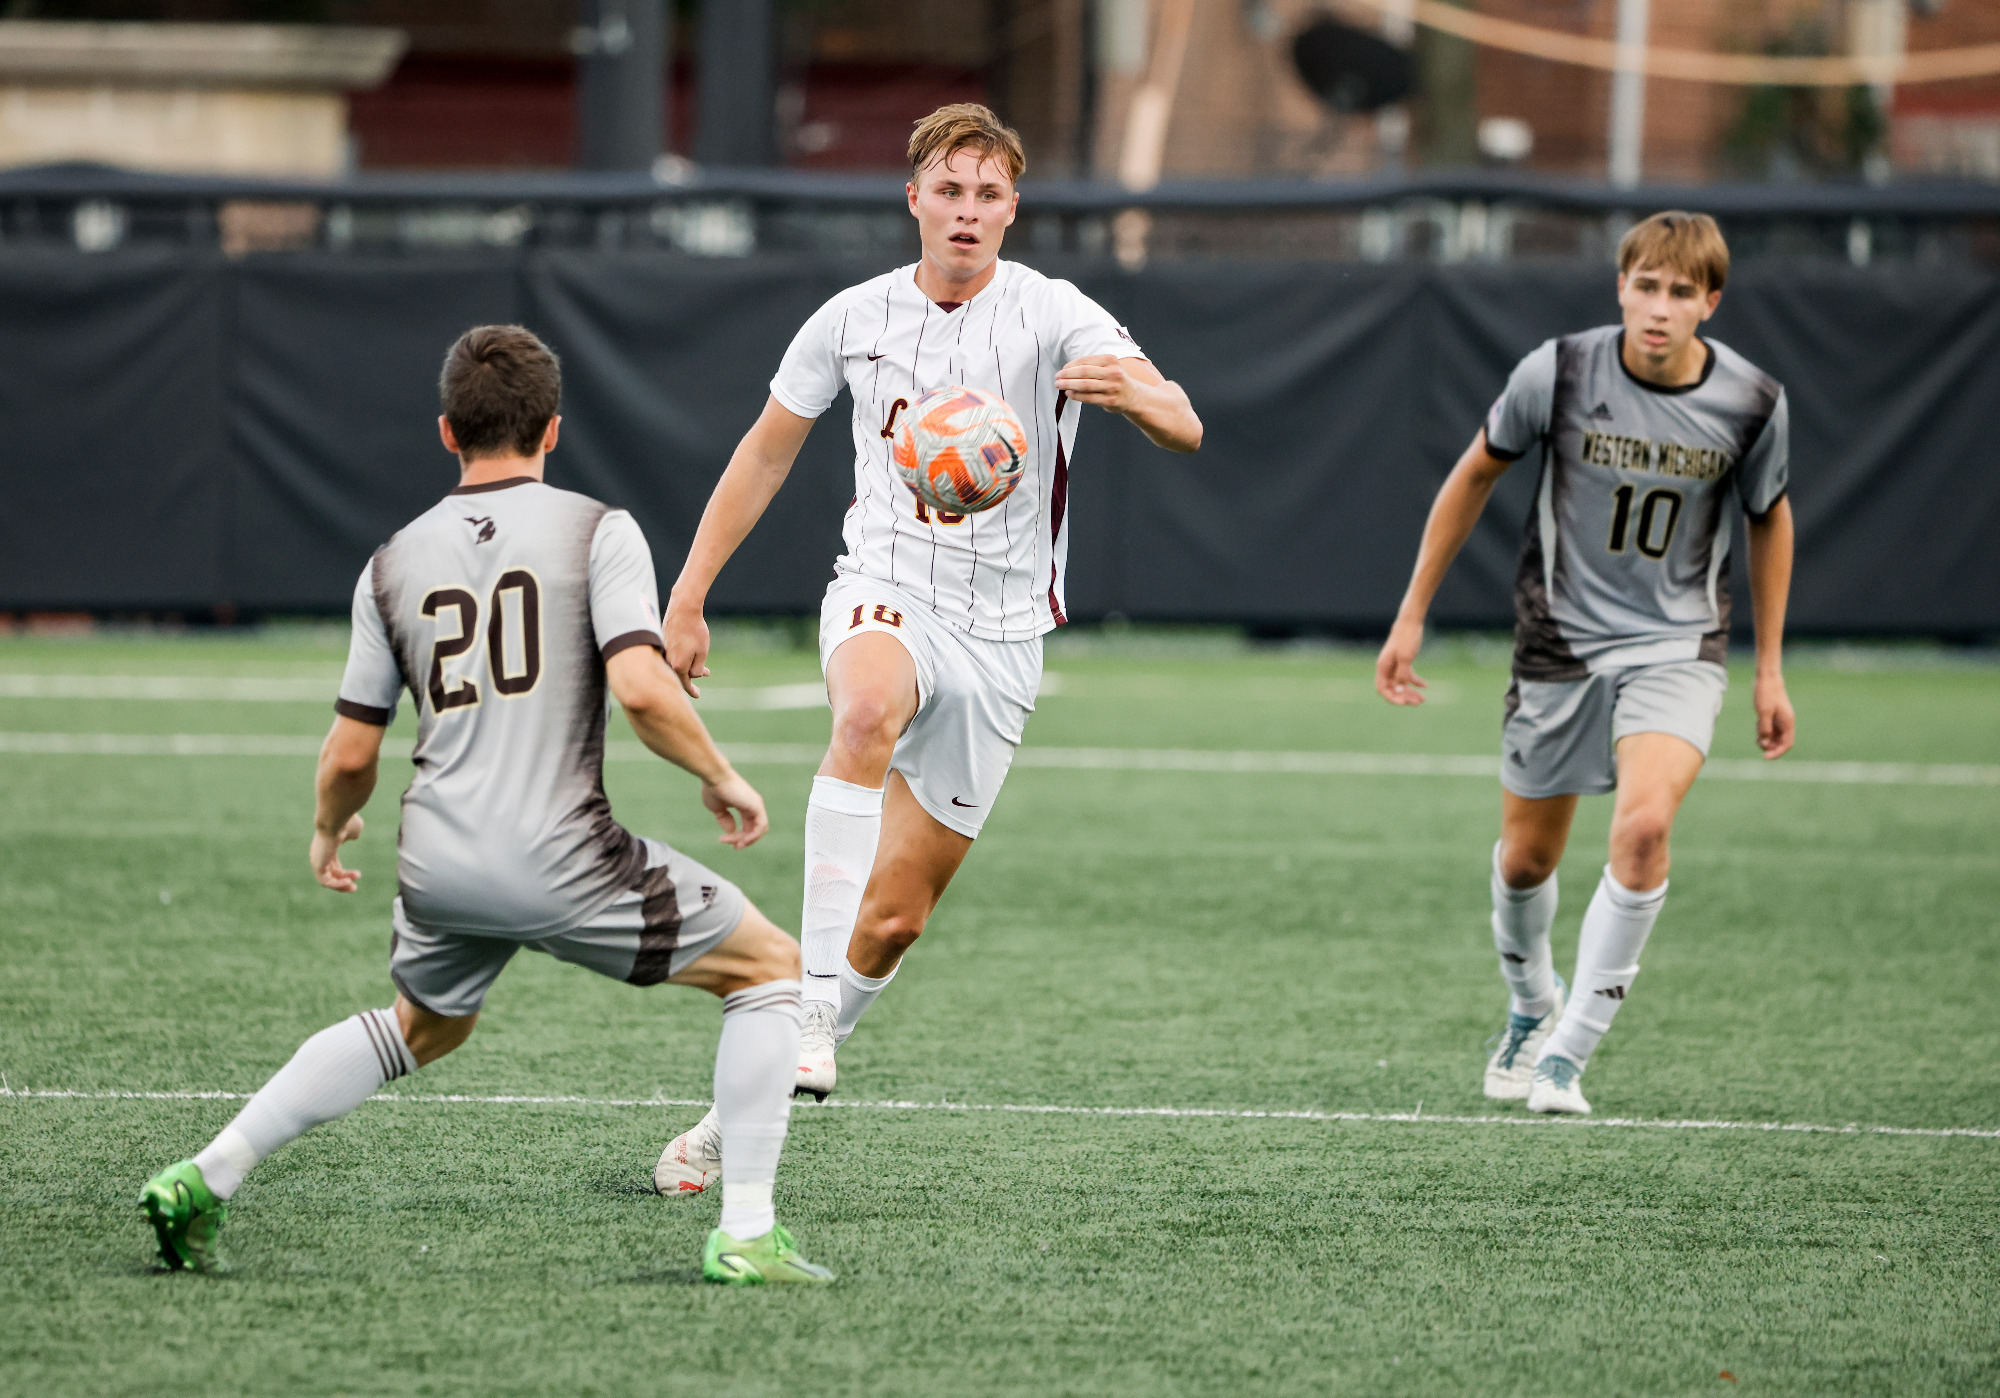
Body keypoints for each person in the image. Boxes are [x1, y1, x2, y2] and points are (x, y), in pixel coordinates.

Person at [138, 325, 832, 1285]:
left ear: (445, 431)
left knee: (423, 1028)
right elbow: (641, 686)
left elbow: (350, 750)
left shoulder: (390, 562)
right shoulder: (598, 530)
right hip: (558, 853)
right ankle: (749, 1232)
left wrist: (327, 823)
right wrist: (719, 773)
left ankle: (203, 1177)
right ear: (552, 430)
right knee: (770, 972)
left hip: (440, 859)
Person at [649, 104, 1202, 1190]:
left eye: (987, 194)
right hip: (885, 589)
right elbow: (764, 456)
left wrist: (1128, 394)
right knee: (863, 712)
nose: (966, 211)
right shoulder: (851, 318)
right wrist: (688, 592)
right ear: (913, 199)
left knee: (894, 921)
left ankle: (736, 1112)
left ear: (1010, 208)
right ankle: (806, 1005)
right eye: (948, 190)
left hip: (1001, 636)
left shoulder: (1051, 312)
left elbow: (1184, 420)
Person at [1374, 211, 1796, 1116]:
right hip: (1558, 644)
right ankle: (1532, 1007)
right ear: (1620, 287)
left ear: (1710, 304)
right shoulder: (1558, 372)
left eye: (1681, 292)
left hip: (1678, 648)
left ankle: (1567, 1056)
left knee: (1642, 831)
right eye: (1646, 285)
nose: (1659, 306)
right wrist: (1412, 613)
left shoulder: (1754, 402)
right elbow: (1473, 475)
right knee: (1527, 861)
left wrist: (1770, 670)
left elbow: (1771, 517)